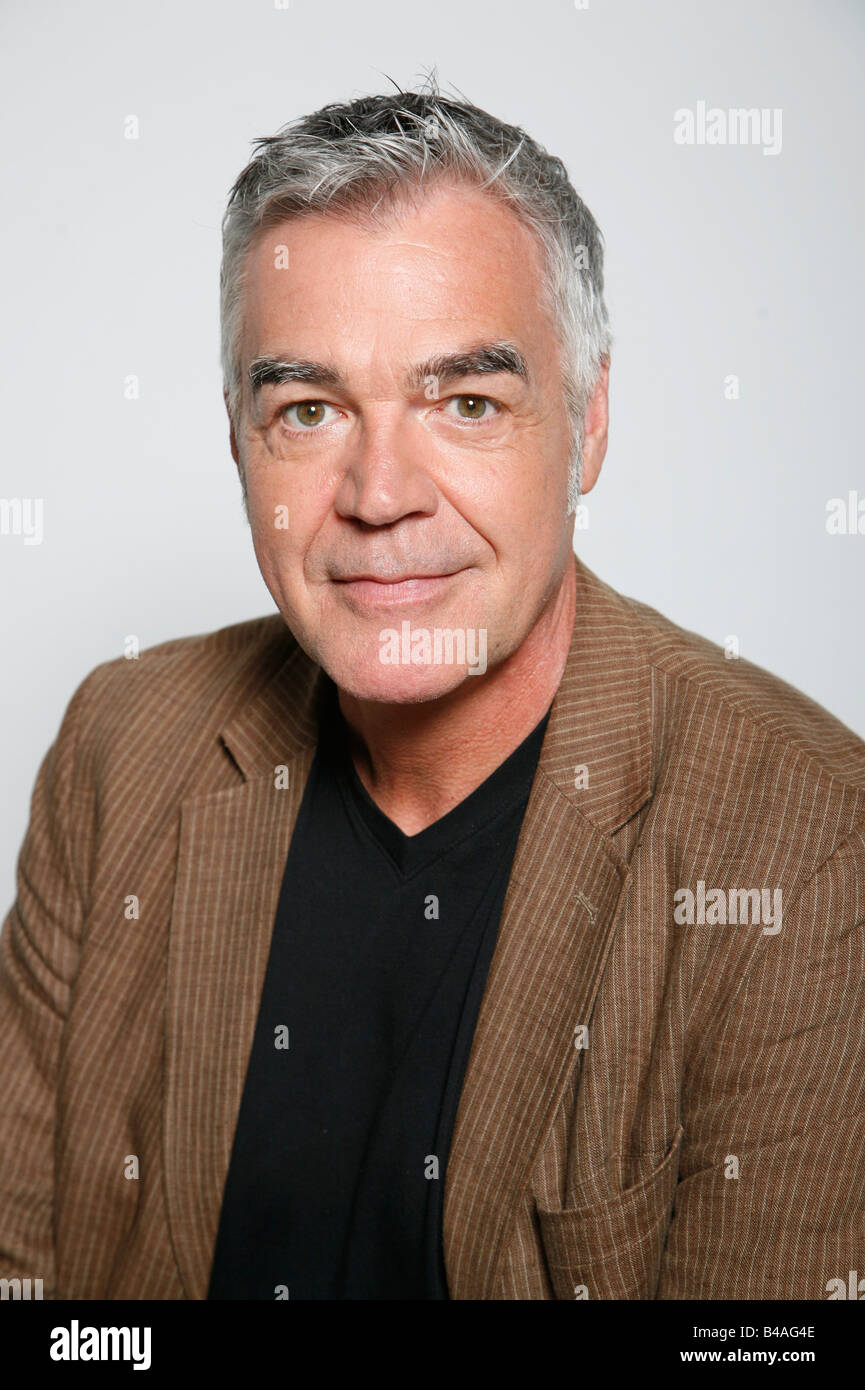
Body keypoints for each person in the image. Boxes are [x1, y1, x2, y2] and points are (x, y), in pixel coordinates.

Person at [2, 77, 863, 1302]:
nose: (379, 493)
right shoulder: (121, 743)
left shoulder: (808, 842)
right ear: (238, 443)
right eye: (307, 410)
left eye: (465, 402)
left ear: (589, 422)